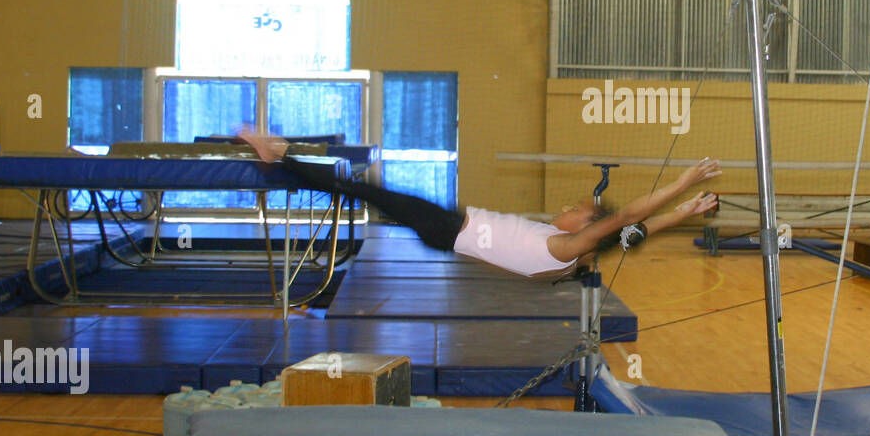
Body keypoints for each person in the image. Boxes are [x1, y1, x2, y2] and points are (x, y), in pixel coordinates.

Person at [236, 128, 720, 280]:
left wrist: (679, 183)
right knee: (368, 191)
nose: (567, 208)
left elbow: (626, 217)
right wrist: (684, 213)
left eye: (576, 207)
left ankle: (277, 155)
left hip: (450, 229)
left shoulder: (567, 247)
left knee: (364, 191)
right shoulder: (575, 247)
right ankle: (281, 155)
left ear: (586, 223)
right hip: (451, 228)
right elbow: (635, 232)